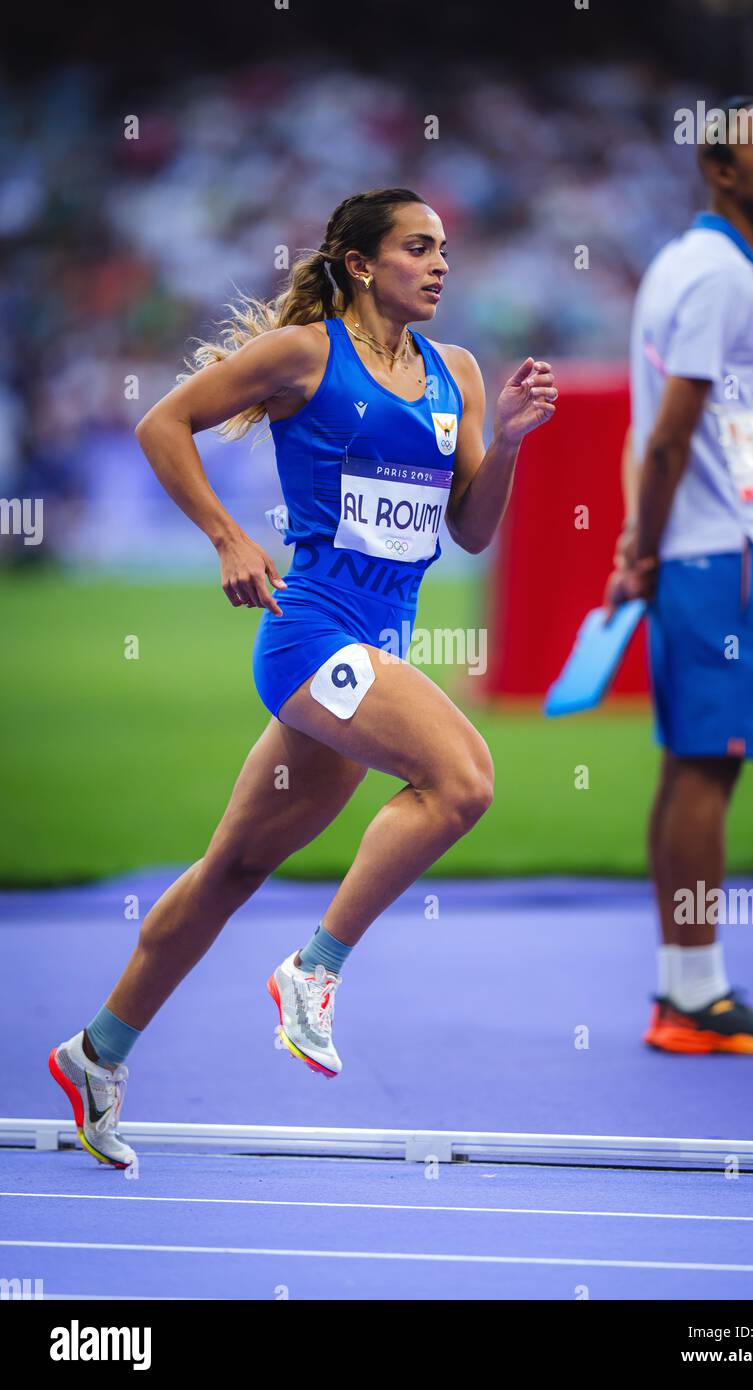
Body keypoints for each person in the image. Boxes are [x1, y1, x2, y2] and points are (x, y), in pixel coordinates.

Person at [48, 188, 558, 1167]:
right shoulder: (305, 355)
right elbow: (164, 423)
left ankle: (96, 1053)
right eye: (417, 247)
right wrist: (228, 535)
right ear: (362, 263)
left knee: (230, 870)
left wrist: (514, 443)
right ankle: (311, 973)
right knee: (461, 780)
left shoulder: (454, 372)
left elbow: (471, 528)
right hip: (310, 637)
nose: (440, 263)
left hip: (377, 654)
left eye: (444, 248)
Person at [606, 99, 753, 1054]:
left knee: (691, 766)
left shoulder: (683, 266)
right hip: (715, 556)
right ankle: (695, 999)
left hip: (701, 550)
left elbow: (652, 432)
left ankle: (683, 987)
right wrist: (643, 550)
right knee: (706, 770)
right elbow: (669, 430)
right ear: (720, 170)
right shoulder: (722, 274)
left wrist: (636, 545)